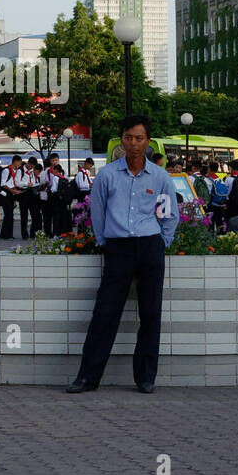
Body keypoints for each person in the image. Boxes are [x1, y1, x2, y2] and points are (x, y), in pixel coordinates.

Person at [67, 116, 179, 395]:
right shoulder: (107, 175)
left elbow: (168, 215)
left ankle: (145, 377)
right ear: (122, 140)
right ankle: (87, 377)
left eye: (139, 138)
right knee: (105, 313)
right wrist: (105, 241)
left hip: (150, 246)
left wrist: (161, 242)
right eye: (128, 137)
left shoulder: (161, 177)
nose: (133, 143)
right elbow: (98, 211)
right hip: (118, 248)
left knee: (151, 313)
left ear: (148, 142)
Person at [0, 154, 25, 240]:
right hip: (5, 194)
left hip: (11, 194)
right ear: (15, 162)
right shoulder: (7, 170)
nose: (20, 165)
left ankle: (4, 234)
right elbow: (3, 184)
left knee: (8, 215)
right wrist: (13, 191)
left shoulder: (15, 171)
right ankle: (8, 235)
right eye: (19, 163)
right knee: (9, 215)